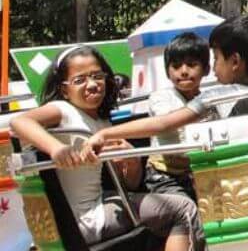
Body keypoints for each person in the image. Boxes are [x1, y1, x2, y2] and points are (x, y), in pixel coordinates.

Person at [10, 46, 204, 250]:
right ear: (64, 90)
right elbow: (19, 122)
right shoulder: (63, 110)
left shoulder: (102, 122)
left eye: (97, 76)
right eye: (80, 80)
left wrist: (130, 160)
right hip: (87, 219)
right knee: (183, 210)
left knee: (170, 212)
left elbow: (130, 183)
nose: (92, 84)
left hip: (101, 204)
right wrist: (56, 149)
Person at [81, 14, 248, 155]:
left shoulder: (215, 96)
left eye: (216, 58)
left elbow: (162, 123)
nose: (214, 67)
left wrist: (105, 134)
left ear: (234, 62)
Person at [144, 32, 214, 201]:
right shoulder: (160, 97)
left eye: (191, 65)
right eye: (176, 66)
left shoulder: (210, 100)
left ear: (206, 69)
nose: (183, 71)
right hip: (164, 175)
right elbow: (166, 121)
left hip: (199, 172)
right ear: (167, 72)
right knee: (185, 208)